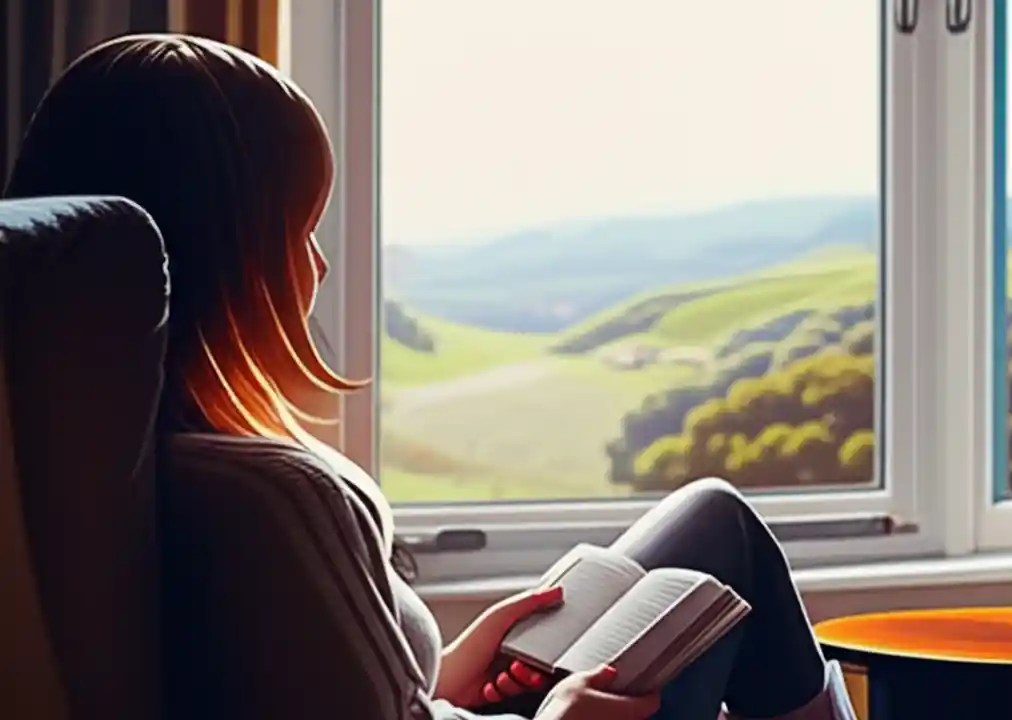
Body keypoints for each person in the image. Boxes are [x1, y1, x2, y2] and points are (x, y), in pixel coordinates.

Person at [4, 34, 856, 720]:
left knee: (712, 517)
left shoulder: (97, 475)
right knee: (726, 549)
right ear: (233, 256)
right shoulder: (282, 498)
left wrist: (450, 671)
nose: (319, 267)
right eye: (299, 233)